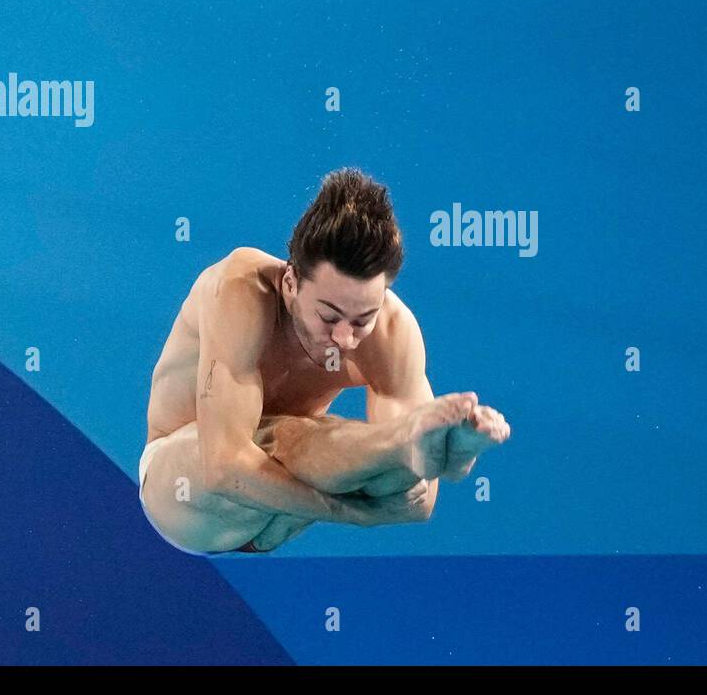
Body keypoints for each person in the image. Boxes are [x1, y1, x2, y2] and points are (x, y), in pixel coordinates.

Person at [139, 168, 511, 554]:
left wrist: (413, 463)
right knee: (285, 436)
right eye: (329, 317)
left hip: (284, 505)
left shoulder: (393, 330)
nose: (345, 338)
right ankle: (399, 443)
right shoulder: (240, 290)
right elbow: (221, 467)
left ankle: (419, 446)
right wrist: (347, 511)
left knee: (349, 446)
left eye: (362, 320)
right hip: (187, 496)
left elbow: (418, 504)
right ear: (289, 284)